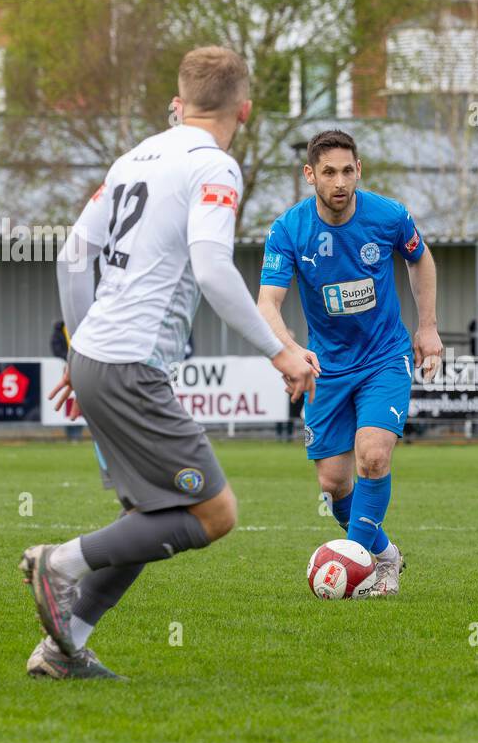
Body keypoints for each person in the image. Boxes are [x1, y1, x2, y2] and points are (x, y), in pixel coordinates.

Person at [25, 46, 316, 679]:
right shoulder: (215, 165)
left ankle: (62, 647)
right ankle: (62, 564)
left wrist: (77, 352)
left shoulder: (135, 157)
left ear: (180, 99)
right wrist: (282, 351)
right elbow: (213, 269)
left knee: (151, 513)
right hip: (131, 363)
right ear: (244, 107)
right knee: (215, 514)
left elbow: (73, 256)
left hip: (99, 355)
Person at [258, 128, 441, 596]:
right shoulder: (289, 230)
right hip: (328, 369)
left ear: (358, 170)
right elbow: (267, 305)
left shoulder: (388, 215)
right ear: (309, 175)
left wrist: (427, 327)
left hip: (384, 355)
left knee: (373, 457)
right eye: (328, 173)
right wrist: (291, 351)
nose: (339, 182)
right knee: (334, 483)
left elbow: (421, 260)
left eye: (347, 171)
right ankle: (385, 556)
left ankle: (348, 568)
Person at [50, 320, 83, 441]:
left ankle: (77, 433)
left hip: (80, 368)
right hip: (70, 367)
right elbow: (56, 348)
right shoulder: (60, 331)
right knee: (68, 401)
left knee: (78, 400)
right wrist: (71, 360)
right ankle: (71, 433)